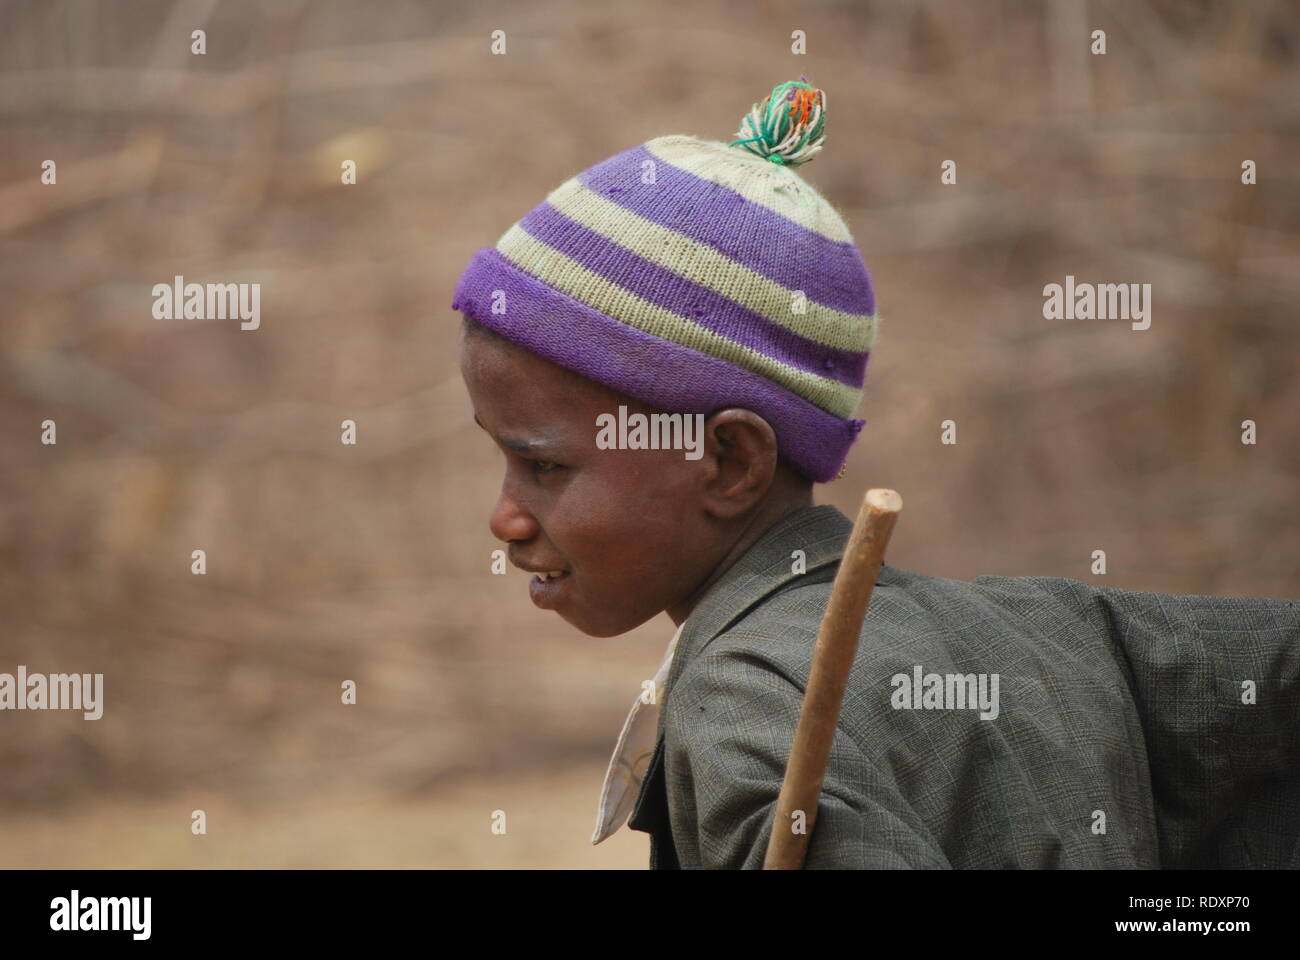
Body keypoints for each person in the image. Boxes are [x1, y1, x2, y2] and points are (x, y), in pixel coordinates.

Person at [453, 80, 1300, 868]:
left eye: (544, 465)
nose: (506, 520)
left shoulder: (744, 705)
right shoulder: (1048, 627)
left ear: (728, 462)